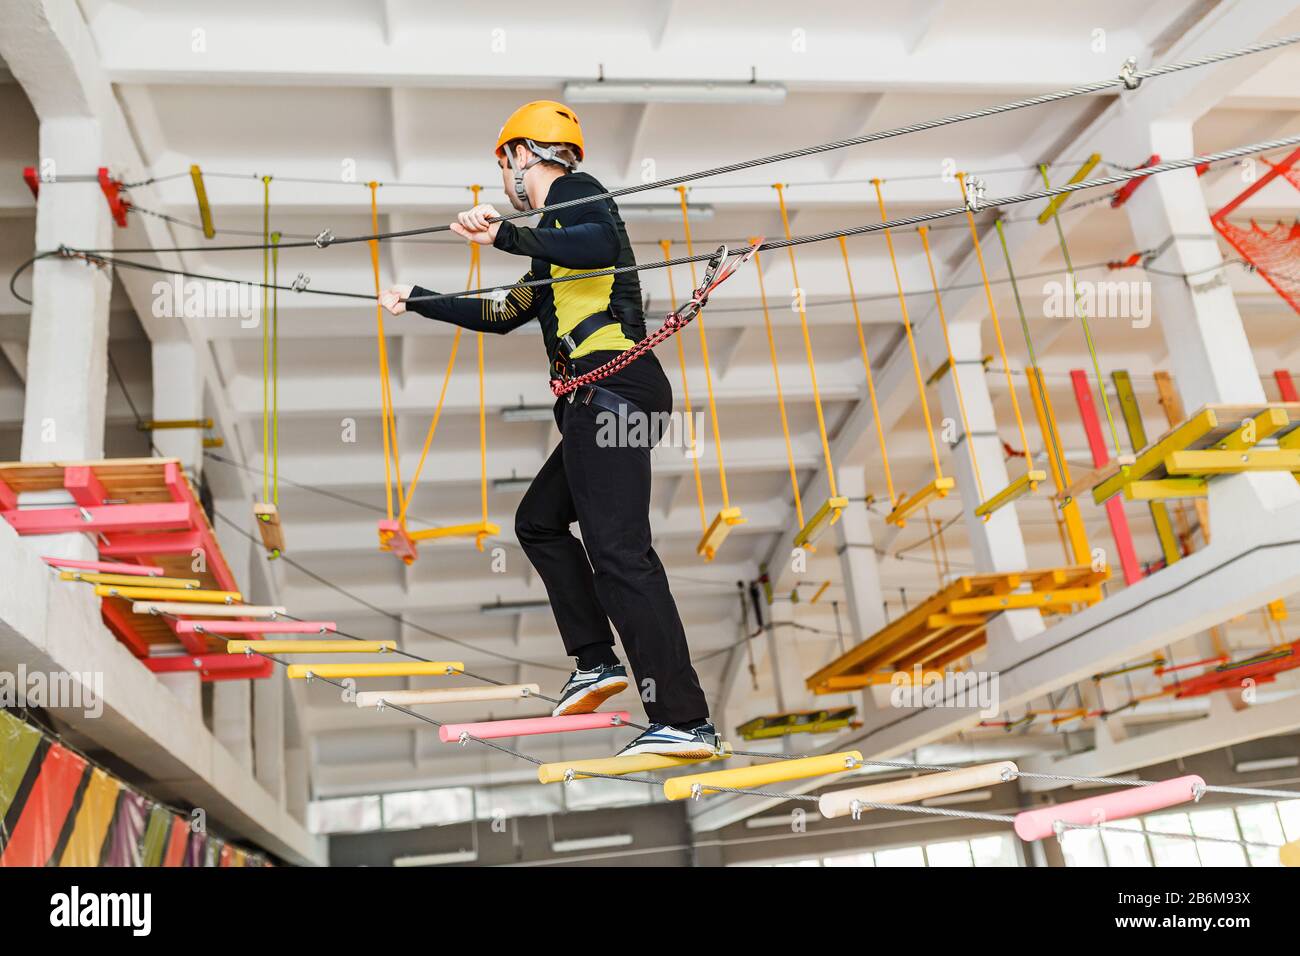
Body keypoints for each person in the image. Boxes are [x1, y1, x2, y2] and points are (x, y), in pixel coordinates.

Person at [379, 101, 718, 758]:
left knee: (620, 554)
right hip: (608, 401)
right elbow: (509, 310)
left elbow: (592, 242)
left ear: (522, 154)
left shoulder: (576, 196)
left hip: (613, 394)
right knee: (538, 521)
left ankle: (683, 717)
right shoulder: (553, 237)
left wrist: (503, 234)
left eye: (506, 159)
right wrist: (419, 297)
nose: (506, 173)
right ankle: (597, 660)